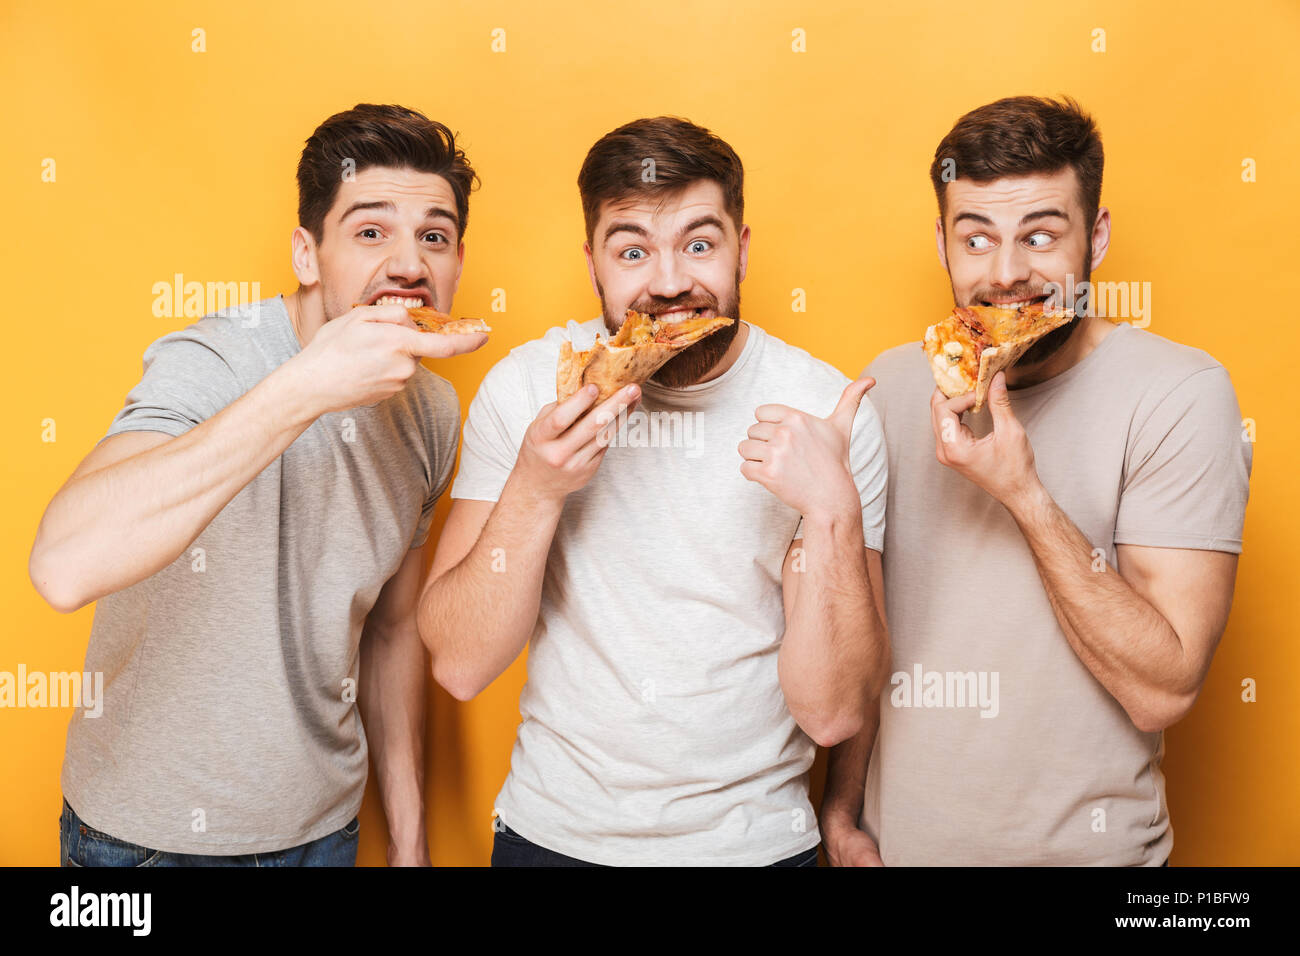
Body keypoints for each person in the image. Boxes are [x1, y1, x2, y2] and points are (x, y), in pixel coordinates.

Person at [418, 116, 891, 866]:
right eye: (633, 250)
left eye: (699, 244)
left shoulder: (823, 412)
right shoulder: (528, 390)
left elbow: (833, 714)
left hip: (760, 846)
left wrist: (832, 512)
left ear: (743, 246)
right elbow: (459, 663)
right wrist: (537, 490)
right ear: (593, 262)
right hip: (553, 839)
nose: (669, 283)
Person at [31, 103, 488, 866]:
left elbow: (392, 630)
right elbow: (62, 567)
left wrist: (408, 841)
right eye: (371, 231)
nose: (409, 265)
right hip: (142, 840)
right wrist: (308, 387)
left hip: (323, 835)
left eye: (433, 237)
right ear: (307, 256)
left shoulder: (434, 411)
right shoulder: (210, 359)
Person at [821, 96, 1252, 866]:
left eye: (1042, 236)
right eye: (976, 238)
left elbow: (1164, 688)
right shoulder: (888, 387)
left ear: (1099, 235)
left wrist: (1022, 492)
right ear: (943, 244)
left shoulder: (1180, 395)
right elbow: (876, 637)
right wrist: (844, 810)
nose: (1008, 273)